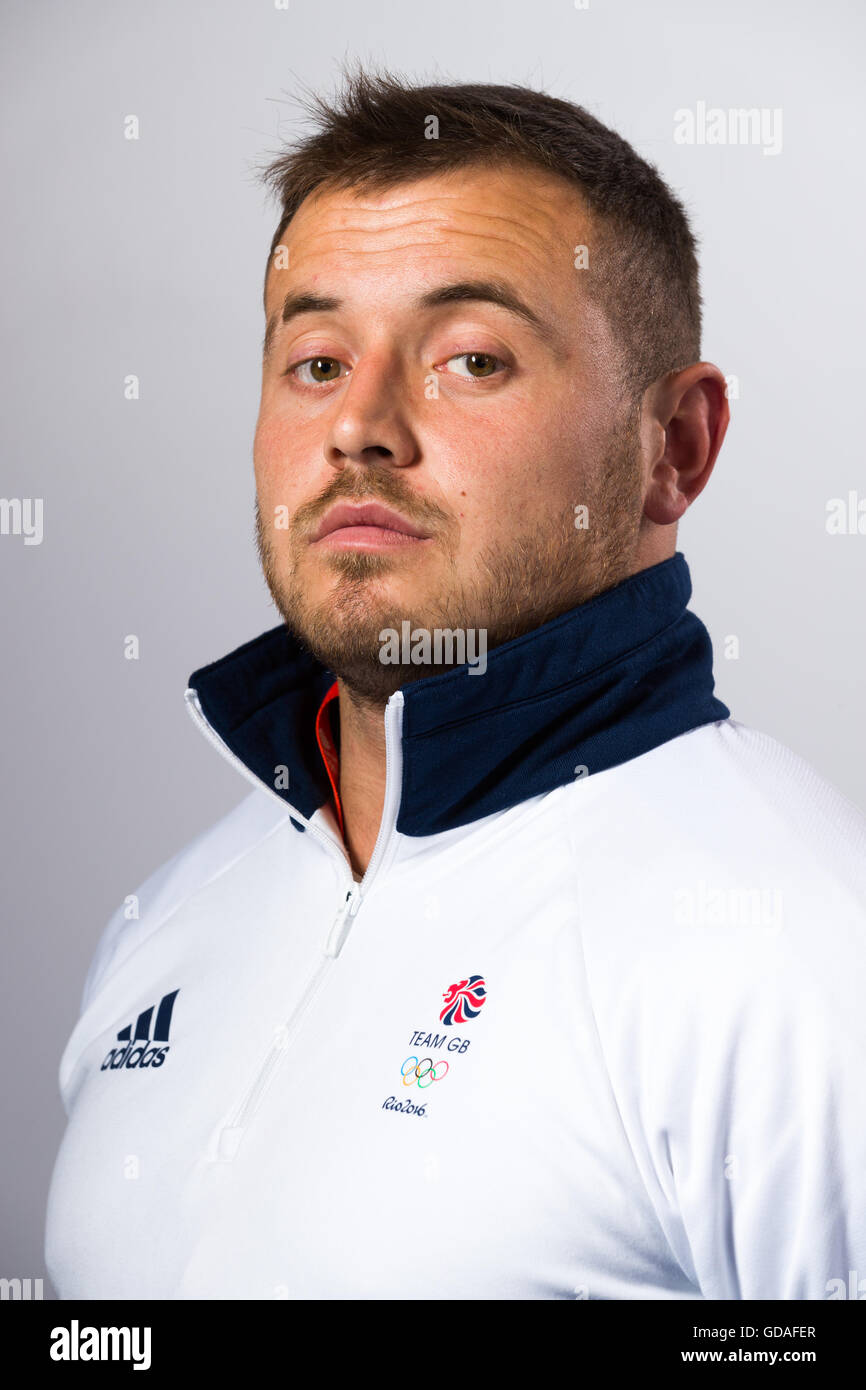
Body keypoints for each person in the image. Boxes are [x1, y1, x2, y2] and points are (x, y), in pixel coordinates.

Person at [45, 68, 866, 1301]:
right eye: (316, 361)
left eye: (471, 358)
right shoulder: (164, 917)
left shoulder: (796, 959)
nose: (360, 425)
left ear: (673, 448)